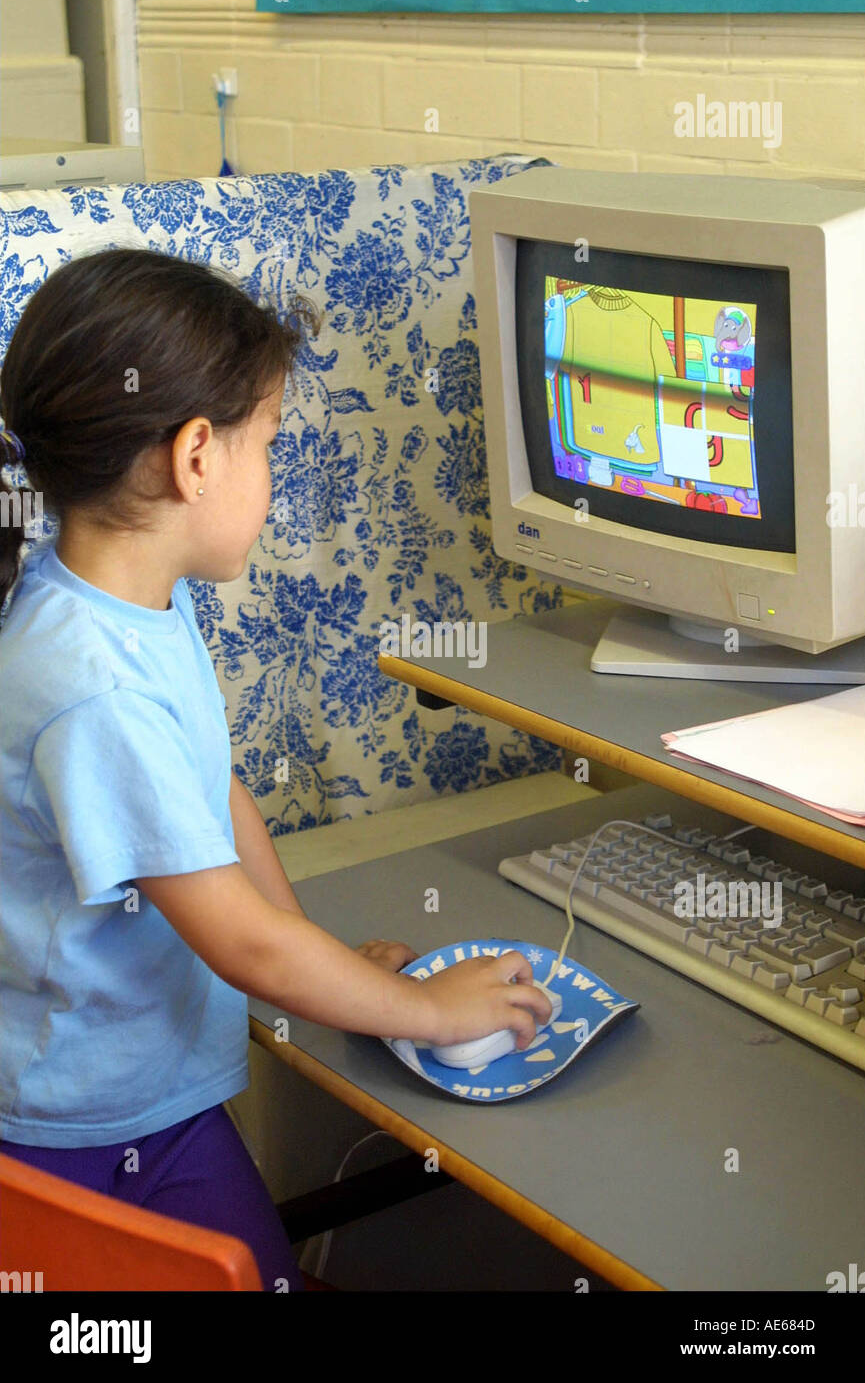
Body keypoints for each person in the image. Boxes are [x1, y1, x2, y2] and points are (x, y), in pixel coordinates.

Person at [0, 249, 549, 1291]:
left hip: (146, 1100)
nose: (274, 477)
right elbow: (241, 942)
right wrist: (435, 1014)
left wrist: (319, 952)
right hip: (72, 1129)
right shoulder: (92, 688)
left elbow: (217, 796)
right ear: (195, 457)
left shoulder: (128, 597)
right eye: (272, 446)